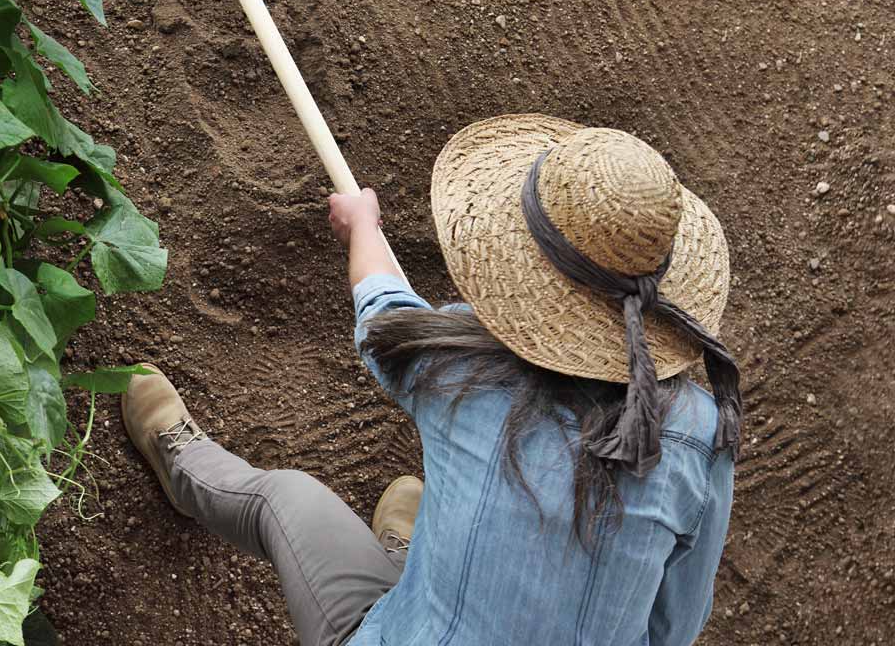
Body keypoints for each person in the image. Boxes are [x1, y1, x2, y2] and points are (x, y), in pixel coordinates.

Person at [122, 114, 740, 645]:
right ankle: (406, 558)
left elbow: (383, 316)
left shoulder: (464, 375)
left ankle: (183, 464)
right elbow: (672, 628)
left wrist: (363, 227)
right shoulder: (700, 433)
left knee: (284, 498)